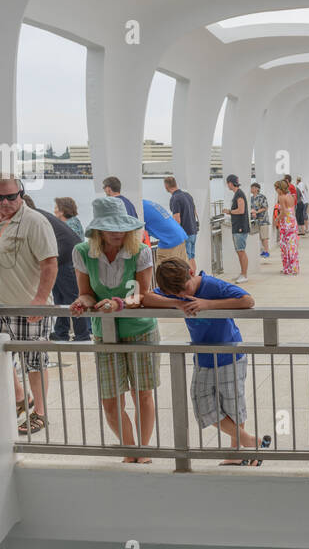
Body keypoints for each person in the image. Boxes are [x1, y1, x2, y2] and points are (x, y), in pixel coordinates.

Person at [139, 256, 270, 466]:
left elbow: (248, 300)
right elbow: (145, 298)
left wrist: (208, 304)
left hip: (230, 354)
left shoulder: (212, 285)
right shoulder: (174, 290)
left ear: (191, 272)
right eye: (176, 294)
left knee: (233, 404)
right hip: (203, 357)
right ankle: (250, 442)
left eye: (185, 289)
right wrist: (175, 302)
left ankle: (237, 452)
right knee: (202, 406)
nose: (184, 295)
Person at [70, 197, 159, 461]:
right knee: (110, 400)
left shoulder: (140, 251)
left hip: (140, 328)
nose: (117, 232)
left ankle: (140, 452)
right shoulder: (83, 252)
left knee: (142, 394)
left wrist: (118, 303)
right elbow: (86, 294)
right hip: (104, 331)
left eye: (121, 227)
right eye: (111, 227)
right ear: (98, 229)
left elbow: (144, 295)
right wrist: (80, 302)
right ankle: (131, 450)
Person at [0, 176, 58, 435]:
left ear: (20, 194)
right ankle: (21, 397)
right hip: (4, 307)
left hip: (31, 307)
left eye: (11, 196)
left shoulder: (35, 221)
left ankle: (41, 414)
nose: (6, 202)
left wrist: (39, 300)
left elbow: (50, 263)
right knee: (3, 356)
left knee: (34, 361)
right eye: (0, 198)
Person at [25, 197, 90, 343]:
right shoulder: (38, 215)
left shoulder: (31, 217)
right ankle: (61, 332)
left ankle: (82, 335)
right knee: (60, 297)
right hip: (62, 255)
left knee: (72, 297)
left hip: (65, 256)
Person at [163, 175, 199, 267]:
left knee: (185, 260)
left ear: (166, 186)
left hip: (184, 234)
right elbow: (195, 213)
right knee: (191, 257)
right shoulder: (188, 195)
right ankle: (193, 279)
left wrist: (173, 235)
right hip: (193, 231)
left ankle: (188, 280)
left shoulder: (175, 198)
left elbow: (177, 219)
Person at [142, 197, 188, 267]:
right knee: (184, 272)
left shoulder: (139, 208)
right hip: (180, 235)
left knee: (164, 274)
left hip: (170, 241)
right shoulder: (147, 203)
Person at [223, 174, 249, 282]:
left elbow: (241, 210)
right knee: (239, 251)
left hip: (240, 227)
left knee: (241, 251)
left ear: (230, 183)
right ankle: (242, 273)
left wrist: (229, 212)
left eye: (227, 183)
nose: (227, 185)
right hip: (237, 226)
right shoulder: (237, 194)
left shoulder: (239, 195)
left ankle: (244, 275)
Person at [275, 179, 300, 274]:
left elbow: (284, 212)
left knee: (284, 246)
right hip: (293, 222)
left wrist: (277, 219)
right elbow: (291, 210)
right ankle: (294, 268)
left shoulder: (281, 197)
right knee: (292, 245)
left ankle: (287, 268)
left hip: (286, 223)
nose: (276, 190)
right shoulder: (290, 196)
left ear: (280, 188)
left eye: (276, 188)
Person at [249, 182, 271, 260]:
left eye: (252, 187)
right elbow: (251, 208)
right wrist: (253, 213)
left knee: (264, 237)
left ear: (257, 189)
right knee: (260, 237)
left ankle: (267, 251)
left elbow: (265, 207)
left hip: (263, 220)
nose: (251, 189)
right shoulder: (251, 198)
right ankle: (263, 251)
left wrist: (256, 212)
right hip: (255, 221)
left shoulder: (262, 197)